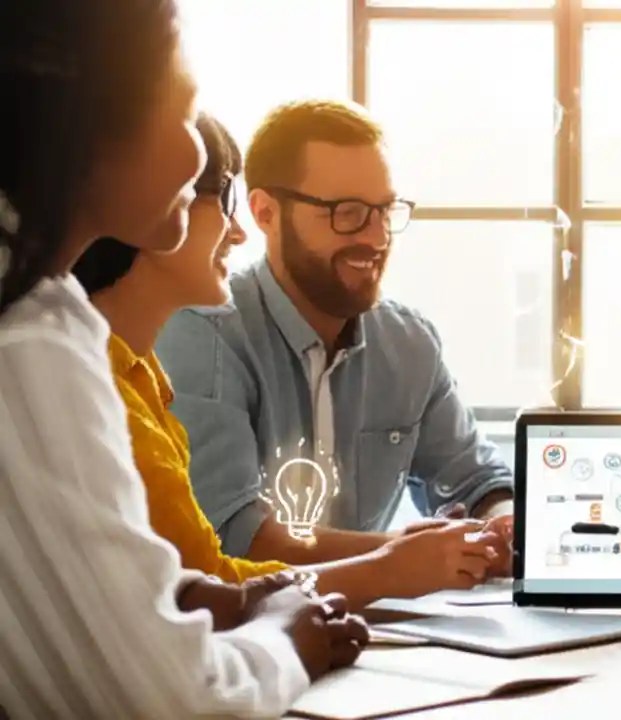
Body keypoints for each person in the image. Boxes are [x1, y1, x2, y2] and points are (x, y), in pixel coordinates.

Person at [0, 2, 366, 717]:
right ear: (88, 122)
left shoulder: (56, 326)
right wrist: (286, 636)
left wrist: (191, 596)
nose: (198, 154)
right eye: (184, 113)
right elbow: (168, 700)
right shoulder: (33, 348)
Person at [71, 113, 502, 607]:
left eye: (385, 210)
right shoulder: (190, 336)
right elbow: (225, 556)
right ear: (266, 212)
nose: (378, 236)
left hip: (343, 637)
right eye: (347, 212)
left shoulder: (408, 342)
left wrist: (501, 520)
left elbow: (476, 479)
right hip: (262, 635)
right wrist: (399, 564)